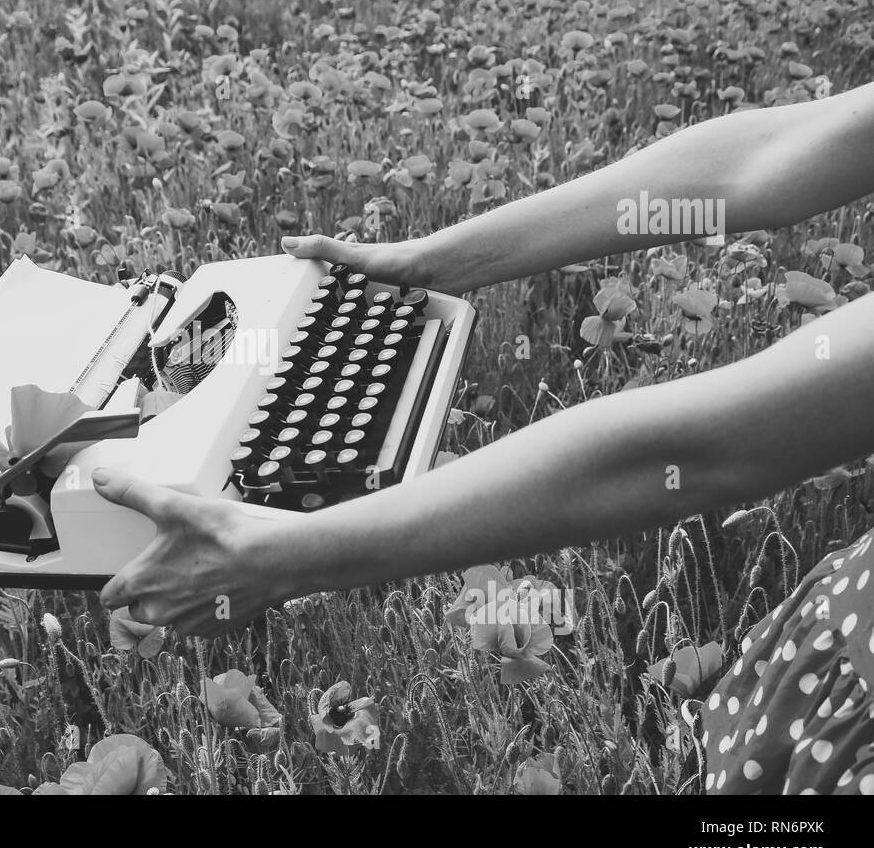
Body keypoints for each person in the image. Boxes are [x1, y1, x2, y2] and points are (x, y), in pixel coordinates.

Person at [92, 81, 874, 794]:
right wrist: (433, 262)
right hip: (831, 664)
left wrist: (288, 555)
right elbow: (758, 160)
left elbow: (704, 450)